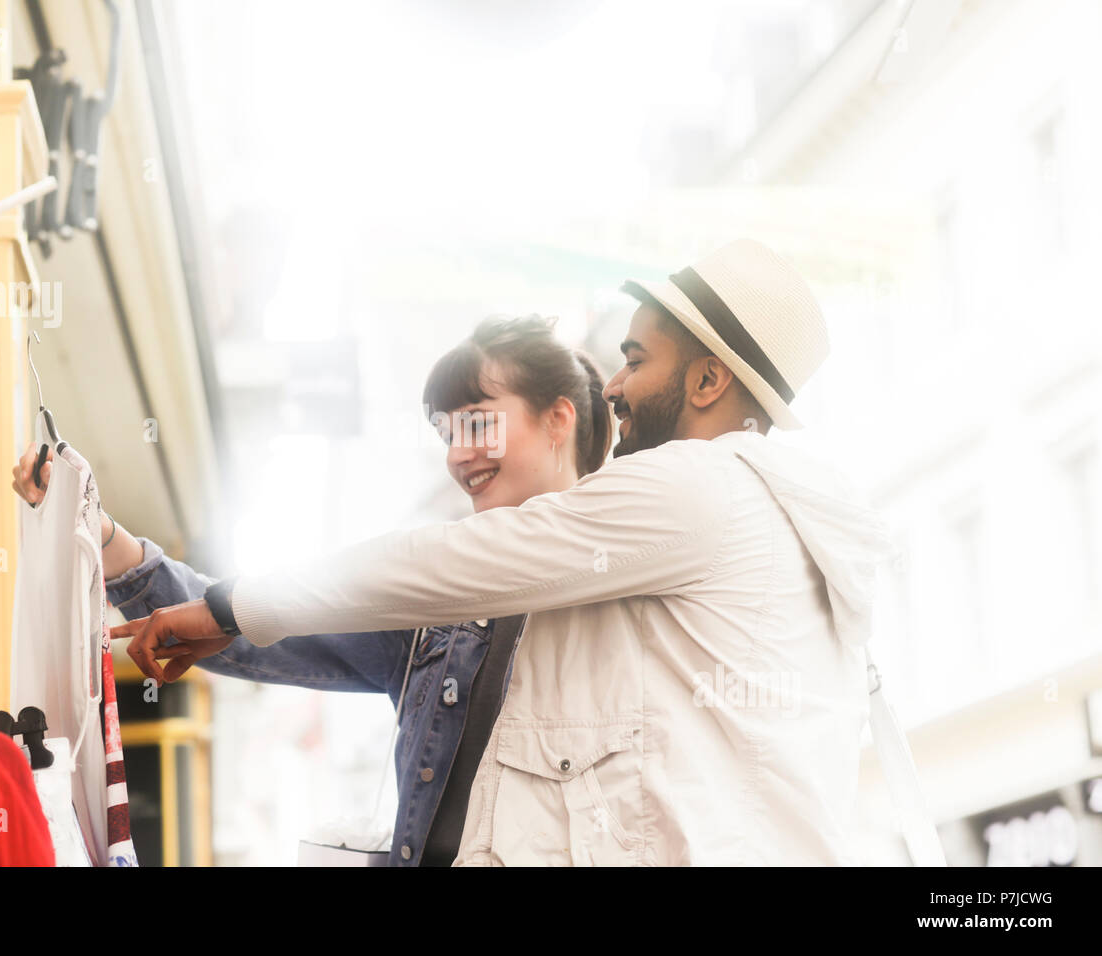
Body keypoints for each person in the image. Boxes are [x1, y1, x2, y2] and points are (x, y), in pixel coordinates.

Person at [117, 238, 897, 866]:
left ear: (707, 380)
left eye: (637, 358)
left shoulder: (700, 489)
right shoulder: (762, 522)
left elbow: (443, 564)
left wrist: (228, 606)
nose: (615, 384)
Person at [12, 315, 612, 867]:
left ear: (558, 419)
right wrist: (104, 535)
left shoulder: (627, 598)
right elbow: (262, 630)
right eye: (446, 434)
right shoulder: (436, 612)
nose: (458, 456)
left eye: (477, 424)